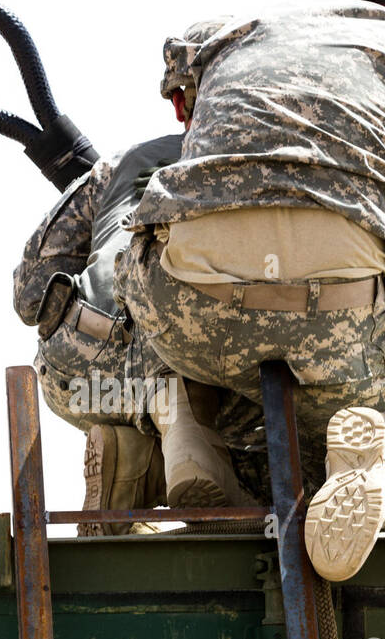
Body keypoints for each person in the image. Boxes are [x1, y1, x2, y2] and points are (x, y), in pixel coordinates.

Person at [115, 0, 385, 580]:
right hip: (333, 313)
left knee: (146, 283)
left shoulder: (248, 27)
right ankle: (378, 481)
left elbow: (187, 98)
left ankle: (186, 428)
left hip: (184, 294)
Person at [13, 132, 262, 535]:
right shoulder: (284, 156)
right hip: (202, 365)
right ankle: (183, 423)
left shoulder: (126, 162)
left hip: (81, 376)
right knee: (274, 466)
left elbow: (29, 296)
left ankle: (138, 460)